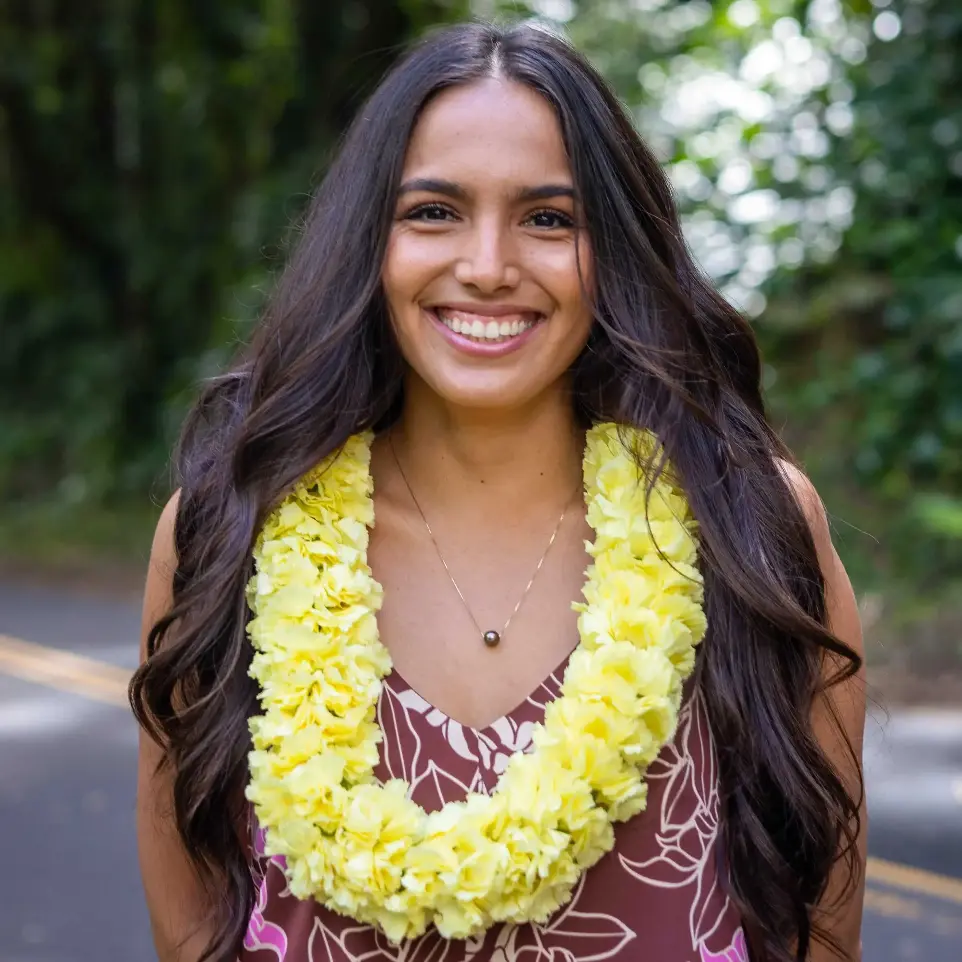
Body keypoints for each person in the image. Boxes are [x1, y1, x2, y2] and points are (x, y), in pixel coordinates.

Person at [130, 20, 866, 962]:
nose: (486, 266)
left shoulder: (751, 529)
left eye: (549, 219)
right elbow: (193, 927)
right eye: (433, 211)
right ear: (370, 242)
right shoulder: (227, 531)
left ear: (616, 251)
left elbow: (823, 932)